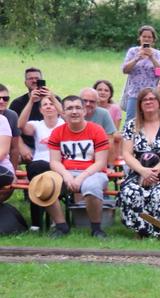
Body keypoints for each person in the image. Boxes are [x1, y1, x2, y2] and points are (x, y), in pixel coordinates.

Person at [118, 89, 160, 238]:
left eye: (153, 98)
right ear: (139, 104)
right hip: (138, 172)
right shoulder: (131, 125)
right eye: (145, 99)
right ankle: (139, 230)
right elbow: (127, 153)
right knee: (132, 191)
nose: (149, 102)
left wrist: (154, 171)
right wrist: (142, 171)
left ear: (159, 102)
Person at [44, 96, 111, 238]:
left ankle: (96, 228)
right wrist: (66, 175)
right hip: (66, 172)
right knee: (45, 185)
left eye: (77, 108)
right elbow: (54, 162)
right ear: (63, 112)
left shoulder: (97, 130)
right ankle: (61, 226)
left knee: (91, 187)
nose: (74, 112)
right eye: (69, 108)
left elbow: (100, 162)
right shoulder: (57, 132)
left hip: (93, 172)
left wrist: (81, 177)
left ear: (84, 111)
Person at [17, 87, 64, 229]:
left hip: (59, 166)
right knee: (38, 178)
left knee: (38, 183)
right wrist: (31, 101)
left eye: (51, 104)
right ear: (41, 110)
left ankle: (37, 224)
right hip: (38, 166)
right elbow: (20, 126)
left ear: (57, 107)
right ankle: (48, 221)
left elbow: (69, 116)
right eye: (45, 104)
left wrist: (54, 98)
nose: (49, 106)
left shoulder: (65, 124)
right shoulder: (37, 125)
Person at [120, 26, 160, 120]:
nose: (146, 39)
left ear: (153, 40)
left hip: (151, 94)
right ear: (139, 38)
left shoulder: (158, 54)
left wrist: (152, 58)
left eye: (149, 37)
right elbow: (125, 70)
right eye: (144, 36)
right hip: (134, 93)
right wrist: (137, 58)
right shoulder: (133, 51)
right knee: (131, 121)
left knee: (151, 120)